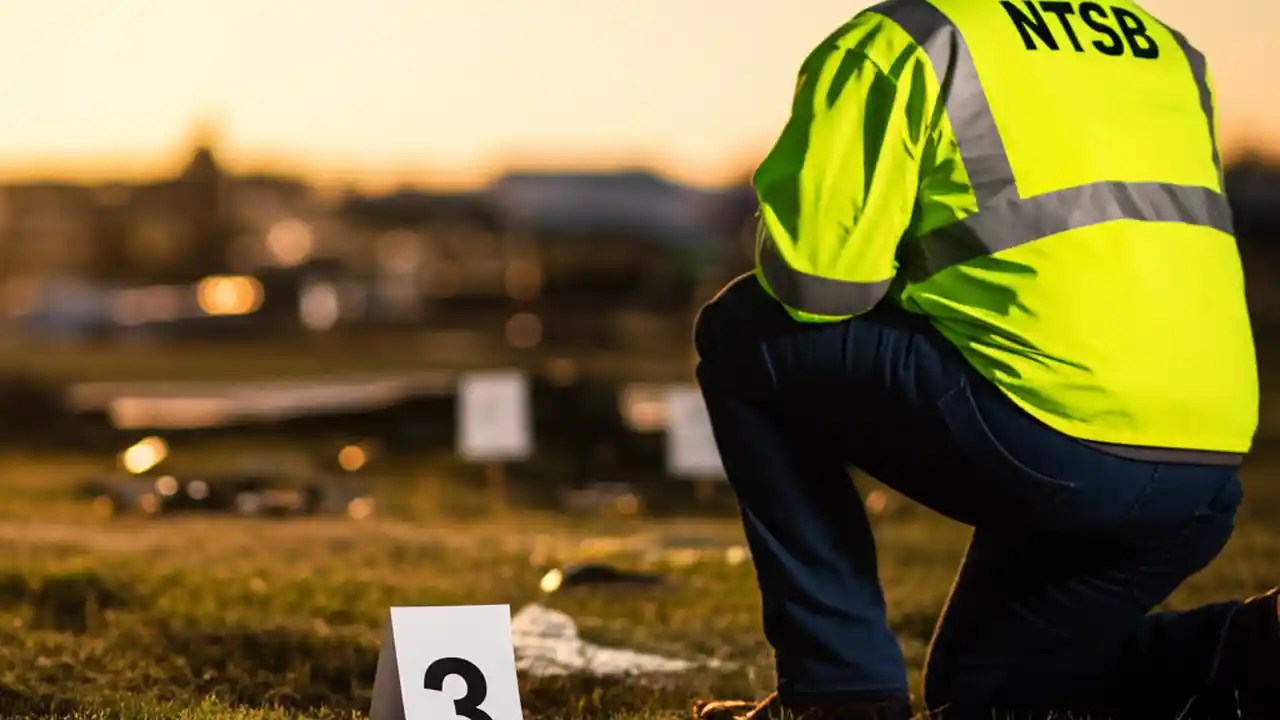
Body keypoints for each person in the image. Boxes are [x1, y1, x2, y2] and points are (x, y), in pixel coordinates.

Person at [691, 0, 1276, 718]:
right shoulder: (1161, 47)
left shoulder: (904, 41)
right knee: (987, 693)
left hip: (1052, 440)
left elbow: (817, 286)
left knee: (743, 331)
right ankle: (1254, 643)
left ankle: (838, 693)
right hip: (1205, 467)